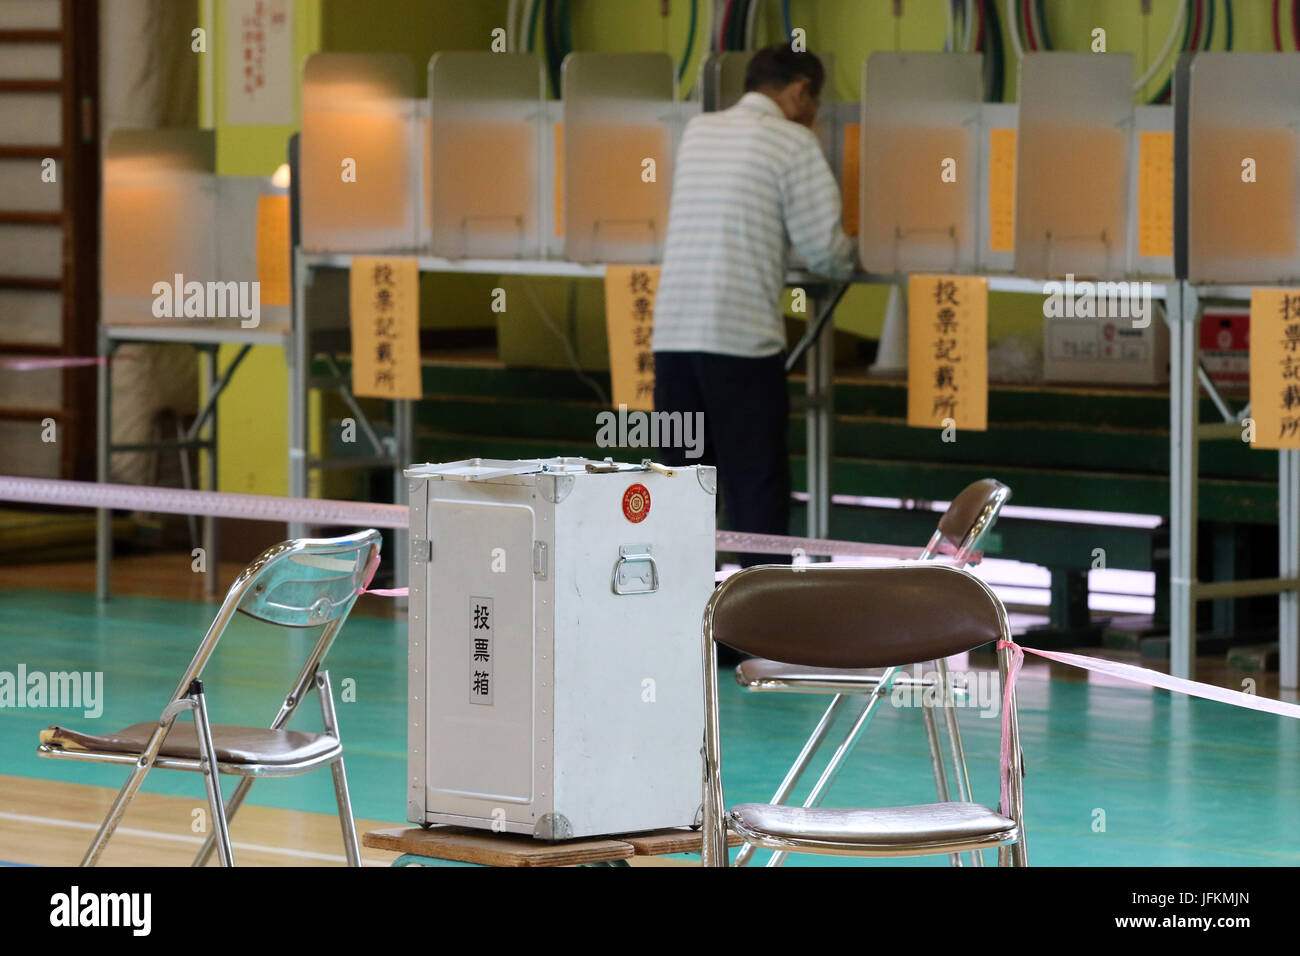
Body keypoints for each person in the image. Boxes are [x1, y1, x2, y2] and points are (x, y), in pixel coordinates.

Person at [652, 43, 855, 568]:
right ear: (798, 91)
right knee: (754, 489)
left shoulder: (699, 132)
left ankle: (682, 627)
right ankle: (756, 633)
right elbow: (826, 252)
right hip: (739, 343)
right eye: (815, 103)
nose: (815, 117)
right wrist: (863, 246)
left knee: (682, 487)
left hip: (673, 340)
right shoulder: (792, 142)